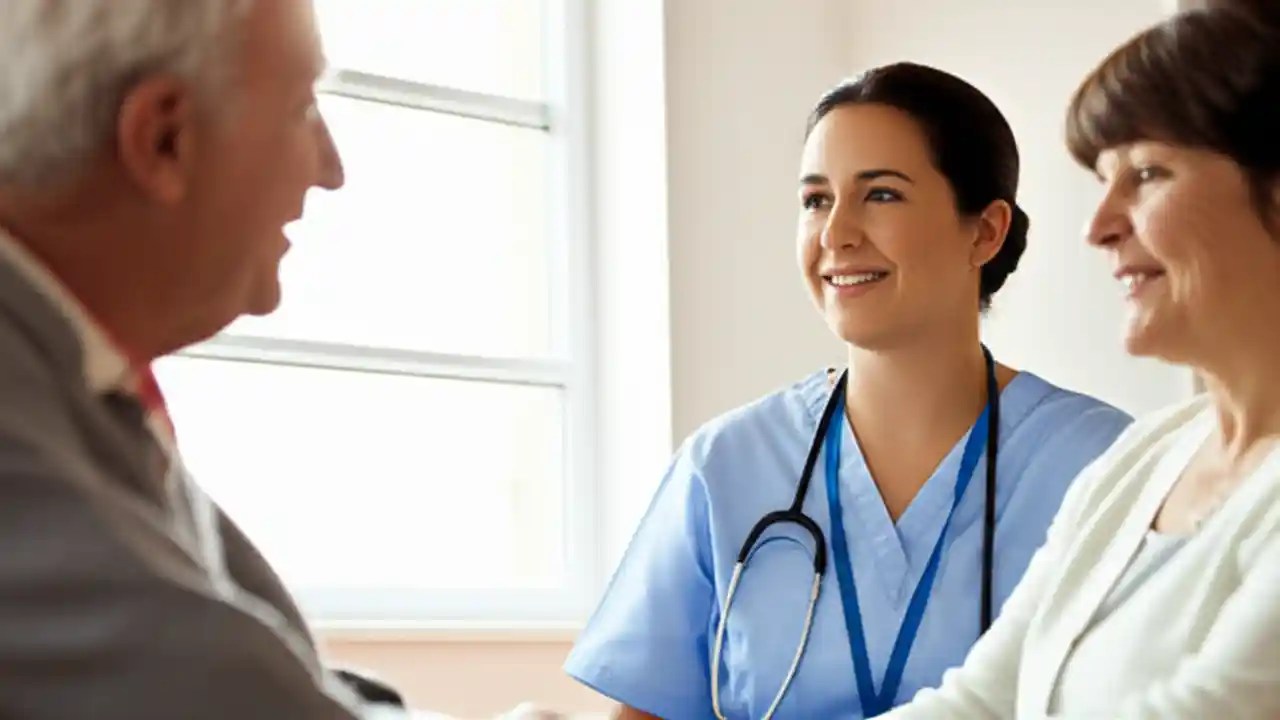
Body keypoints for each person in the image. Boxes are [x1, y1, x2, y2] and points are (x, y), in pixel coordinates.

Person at [0, 2, 558, 719]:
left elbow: (255, 660)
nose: (331, 169)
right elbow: (208, 689)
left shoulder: (78, 378)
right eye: (301, 109)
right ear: (163, 138)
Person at [564, 63, 1132, 719]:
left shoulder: (1106, 464)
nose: (836, 233)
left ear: (985, 230)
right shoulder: (724, 466)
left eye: (881, 195)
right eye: (815, 201)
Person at [880, 6, 1280, 719]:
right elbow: (980, 702)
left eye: (1148, 173)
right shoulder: (1146, 458)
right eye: (1103, 179)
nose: (1098, 226)